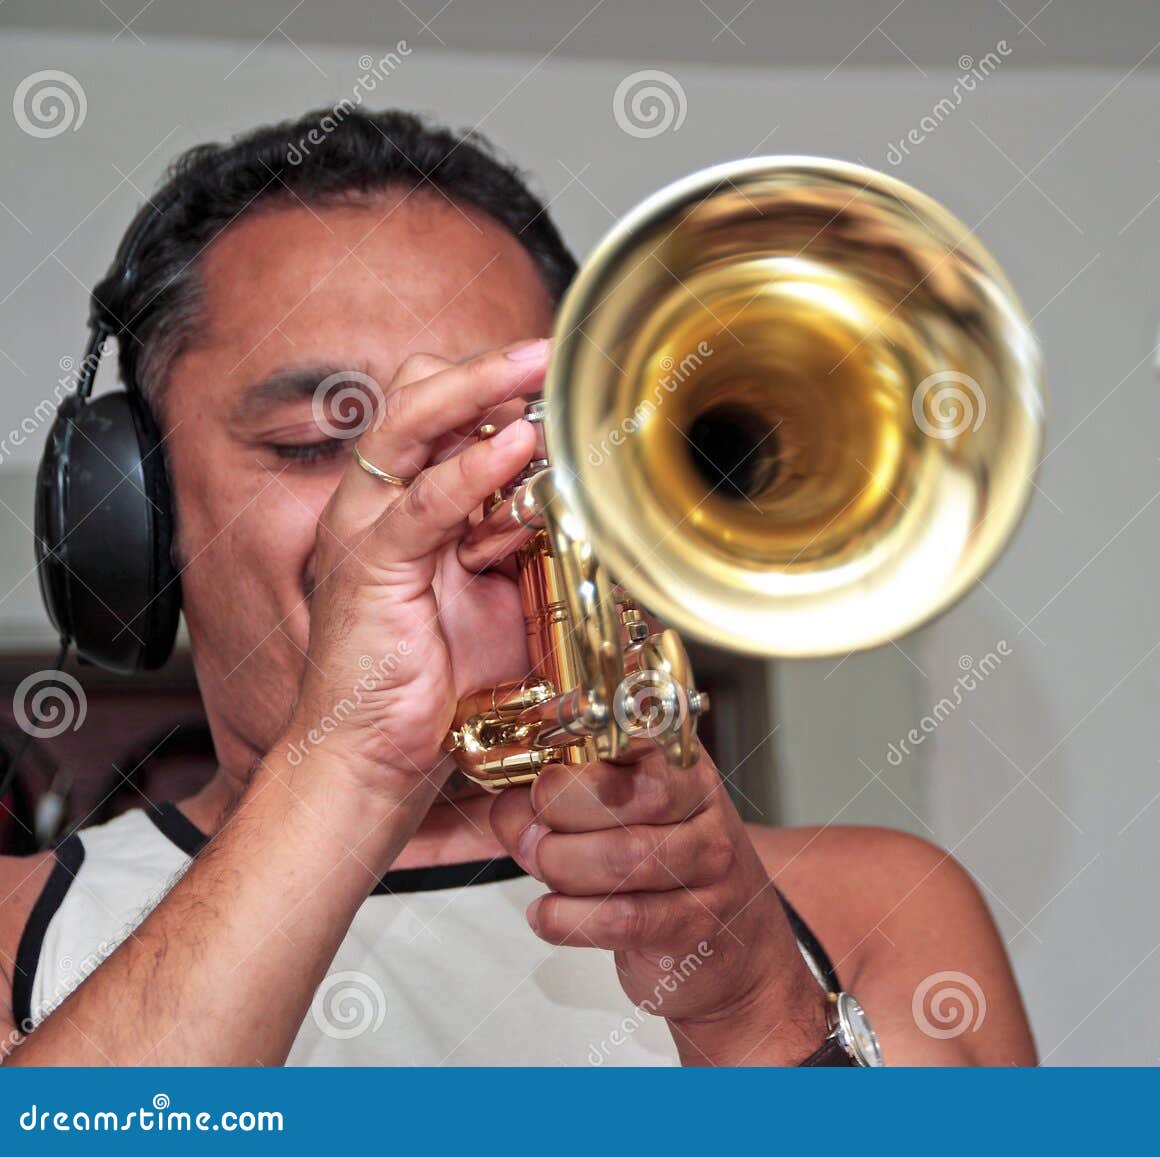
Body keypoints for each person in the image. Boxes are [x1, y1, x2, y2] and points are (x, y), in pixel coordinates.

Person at [0, 108, 1034, 1066]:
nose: (425, 500)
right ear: (134, 516)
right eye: (321, 442)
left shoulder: (877, 906)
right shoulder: (19, 929)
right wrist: (353, 759)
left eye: (501, 433)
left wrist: (753, 1003)